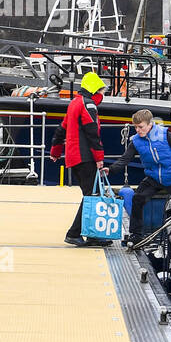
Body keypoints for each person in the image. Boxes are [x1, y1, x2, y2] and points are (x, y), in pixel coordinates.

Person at [105, 109, 171, 241]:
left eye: (140, 127)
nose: (138, 130)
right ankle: (136, 234)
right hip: (154, 178)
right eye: (135, 127)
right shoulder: (136, 141)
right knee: (137, 198)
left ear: (150, 124)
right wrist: (110, 170)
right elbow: (125, 159)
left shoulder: (165, 135)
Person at [50, 71, 109, 247]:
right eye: (101, 90)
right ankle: (74, 233)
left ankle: (92, 235)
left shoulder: (75, 103)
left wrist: (55, 150)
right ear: (95, 90)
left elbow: (61, 129)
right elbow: (92, 134)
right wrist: (99, 158)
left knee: (91, 195)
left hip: (74, 157)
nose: (102, 94)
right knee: (92, 196)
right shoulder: (89, 105)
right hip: (85, 157)